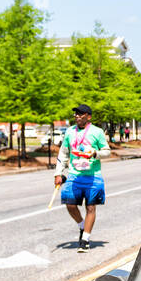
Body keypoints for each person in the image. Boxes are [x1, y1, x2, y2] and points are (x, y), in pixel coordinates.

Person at [54, 103, 112, 253]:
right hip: (74, 175)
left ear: (88, 117)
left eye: (80, 114)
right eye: (76, 114)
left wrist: (95, 153)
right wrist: (58, 173)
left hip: (93, 176)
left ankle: (85, 239)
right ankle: (81, 226)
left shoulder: (97, 132)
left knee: (90, 207)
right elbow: (63, 153)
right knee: (70, 204)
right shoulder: (69, 132)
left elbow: (107, 152)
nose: (77, 116)